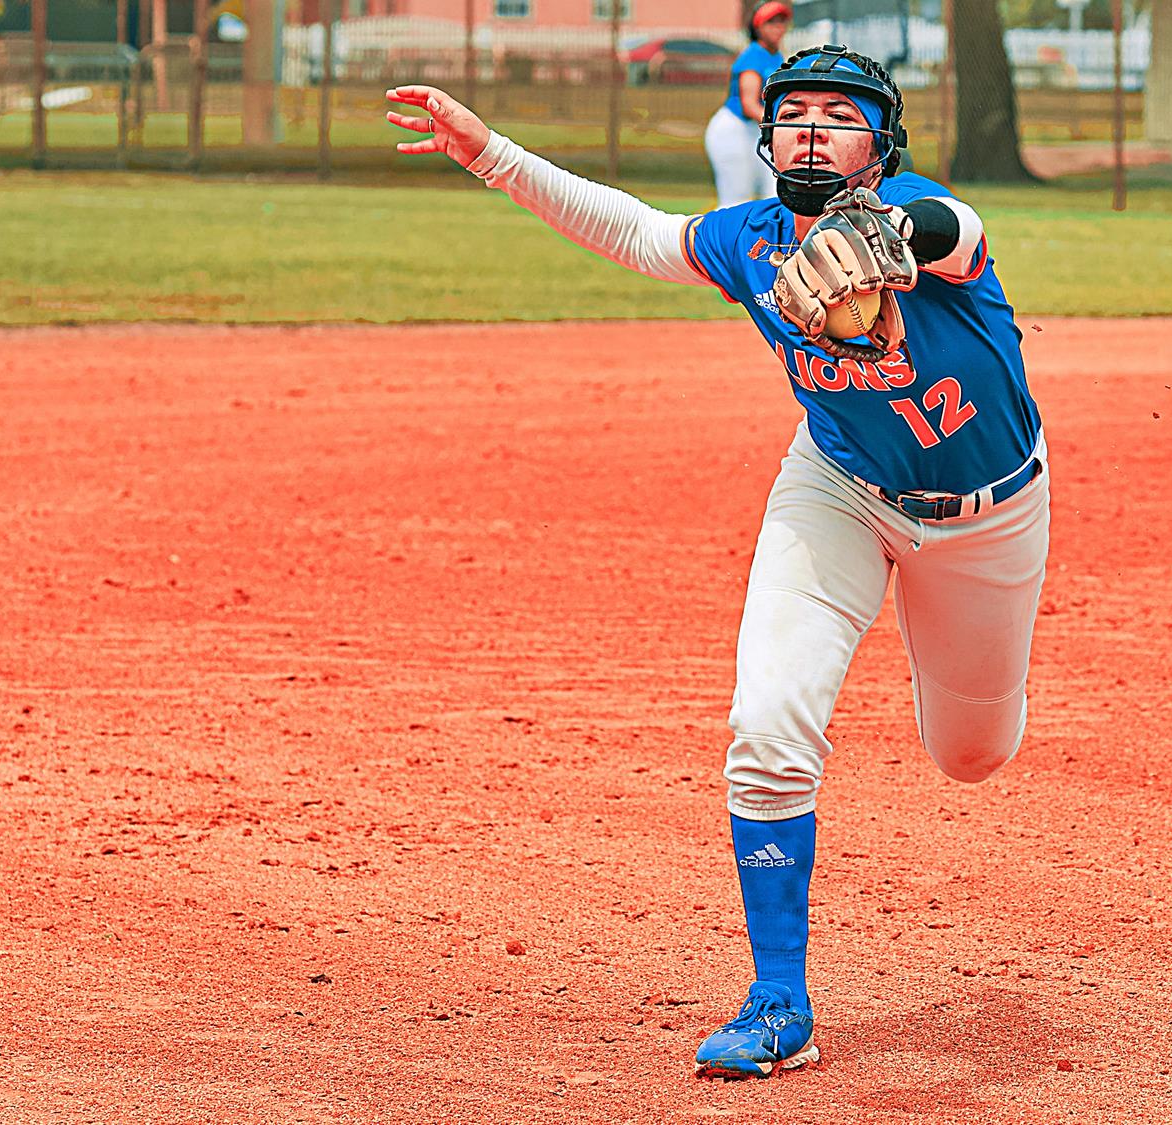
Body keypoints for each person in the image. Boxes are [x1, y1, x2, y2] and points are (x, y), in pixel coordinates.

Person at [385, 43, 1048, 1081]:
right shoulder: (751, 239)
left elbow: (958, 232)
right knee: (765, 722)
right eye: (793, 115)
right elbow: (641, 232)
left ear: (879, 143)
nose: (812, 129)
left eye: (839, 114)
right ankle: (777, 1001)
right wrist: (492, 155)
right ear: (765, 136)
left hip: (986, 519)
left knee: (972, 754)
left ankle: (938, 647)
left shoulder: (915, 212)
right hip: (836, 487)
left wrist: (884, 232)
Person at [706, 1, 793, 208]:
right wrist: (783, 125)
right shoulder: (753, 55)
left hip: (756, 132)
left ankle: (772, 239)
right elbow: (749, 104)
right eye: (771, 22)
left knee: (774, 193)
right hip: (734, 130)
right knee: (735, 201)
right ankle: (722, 240)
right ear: (757, 27)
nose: (778, 27)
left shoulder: (777, 56)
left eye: (781, 21)